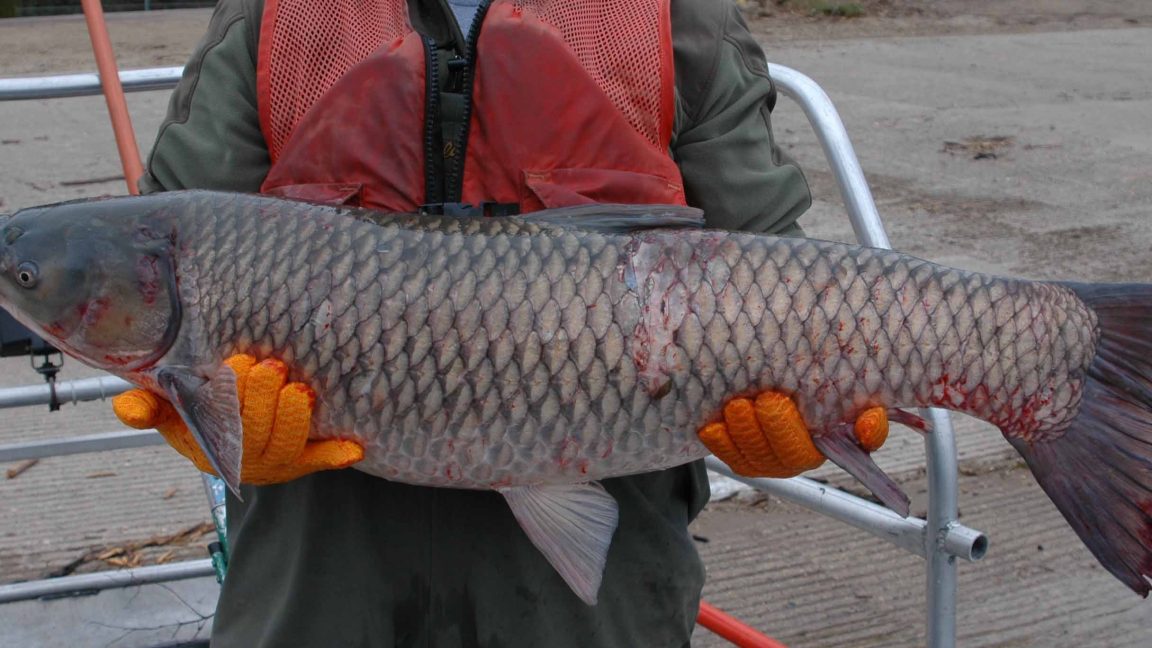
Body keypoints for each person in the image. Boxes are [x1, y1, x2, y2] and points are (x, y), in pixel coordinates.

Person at [113, 0, 888, 645]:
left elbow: (781, 279)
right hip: (315, 578)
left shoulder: (679, 18)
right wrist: (194, 411)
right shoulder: (268, 16)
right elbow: (160, 256)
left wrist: (805, 405)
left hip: (602, 587)